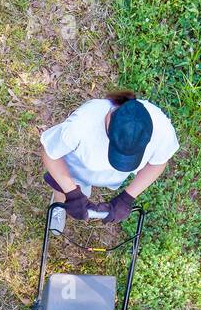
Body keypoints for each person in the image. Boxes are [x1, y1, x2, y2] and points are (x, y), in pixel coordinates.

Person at [40, 92, 178, 225]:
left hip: (110, 176)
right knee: (62, 191)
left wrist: (127, 197)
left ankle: (78, 190)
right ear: (108, 119)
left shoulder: (163, 131)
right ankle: (60, 204)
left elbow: (158, 163)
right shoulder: (82, 124)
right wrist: (71, 192)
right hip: (75, 167)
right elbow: (51, 154)